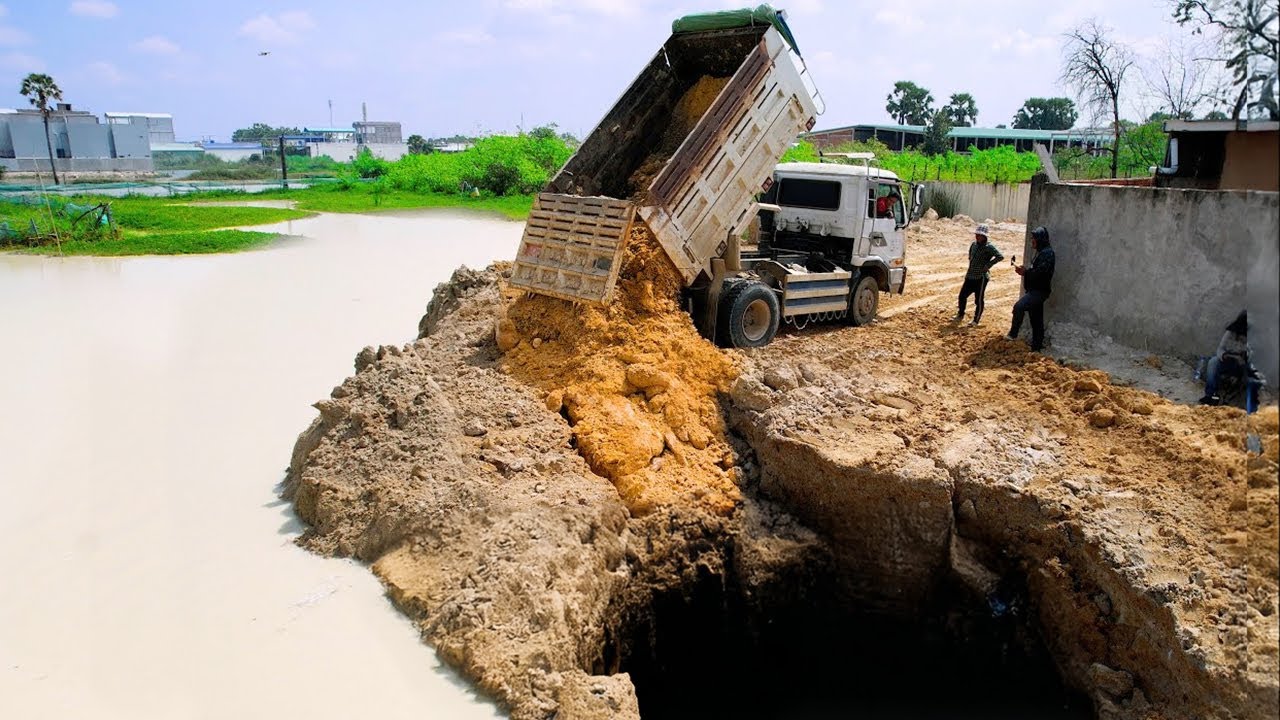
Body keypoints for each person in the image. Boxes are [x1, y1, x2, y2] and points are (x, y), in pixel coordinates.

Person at [1200, 311, 1262, 411]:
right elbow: (1220, 350)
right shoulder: (1231, 332)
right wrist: (1233, 357)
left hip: (1244, 365)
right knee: (1213, 362)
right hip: (1229, 361)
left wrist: (1243, 362)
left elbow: (1253, 356)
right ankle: (1210, 395)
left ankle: (1245, 402)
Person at [1007, 226, 1055, 351]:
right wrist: (1025, 271)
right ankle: (1036, 348)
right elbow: (1036, 271)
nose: (1032, 241)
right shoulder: (1042, 252)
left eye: (1034, 238)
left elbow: (1041, 273)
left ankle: (1012, 335)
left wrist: (1026, 272)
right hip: (1035, 290)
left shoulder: (1047, 253)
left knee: (1019, 307)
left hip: (1039, 291)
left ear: (1040, 239)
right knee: (1036, 321)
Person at [954, 224, 1004, 325]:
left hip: (981, 278)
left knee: (979, 300)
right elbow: (970, 255)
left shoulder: (989, 247)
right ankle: (960, 314)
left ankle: (976, 320)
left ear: (984, 236)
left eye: (979, 235)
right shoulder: (974, 245)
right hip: (970, 275)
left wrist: (988, 265)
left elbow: (1000, 256)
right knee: (962, 296)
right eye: (976, 234)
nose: (977, 236)